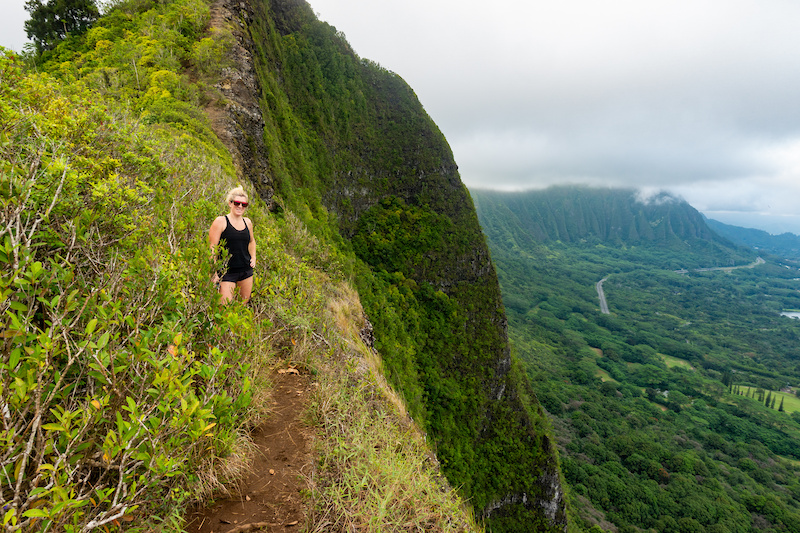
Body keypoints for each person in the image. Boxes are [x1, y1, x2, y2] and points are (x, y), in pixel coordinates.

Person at [209, 186, 256, 304]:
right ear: (230, 203)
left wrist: (253, 257)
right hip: (226, 273)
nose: (240, 206)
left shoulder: (247, 222)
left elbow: (251, 241)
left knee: (241, 306)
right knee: (223, 309)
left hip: (245, 270)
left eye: (244, 204)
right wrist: (214, 272)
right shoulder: (220, 222)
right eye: (237, 203)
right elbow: (212, 248)